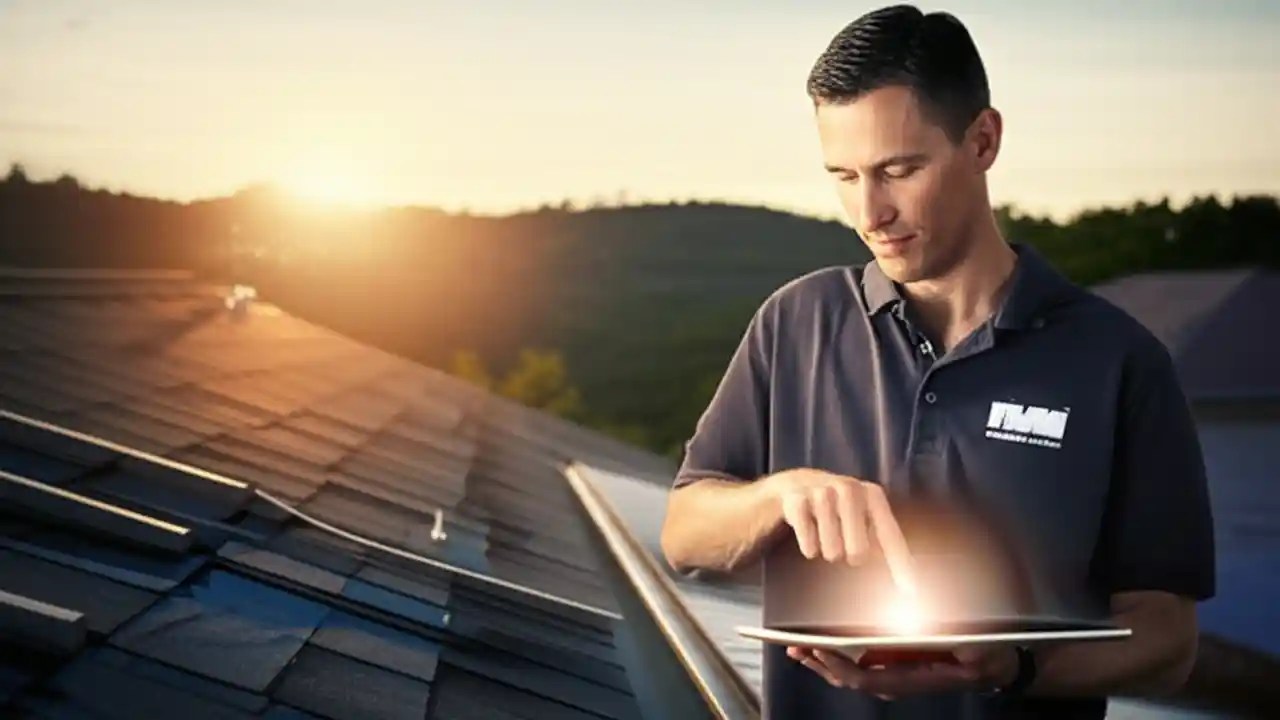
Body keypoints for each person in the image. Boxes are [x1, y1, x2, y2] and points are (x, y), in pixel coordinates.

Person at [659, 4, 1216, 719]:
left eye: (900, 170)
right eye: (844, 175)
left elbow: (1168, 643)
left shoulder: (1119, 361)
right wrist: (779, 495)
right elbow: (683, 535)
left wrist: (1014, 670)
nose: (870, 212)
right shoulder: (794, 323)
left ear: (983, 140)